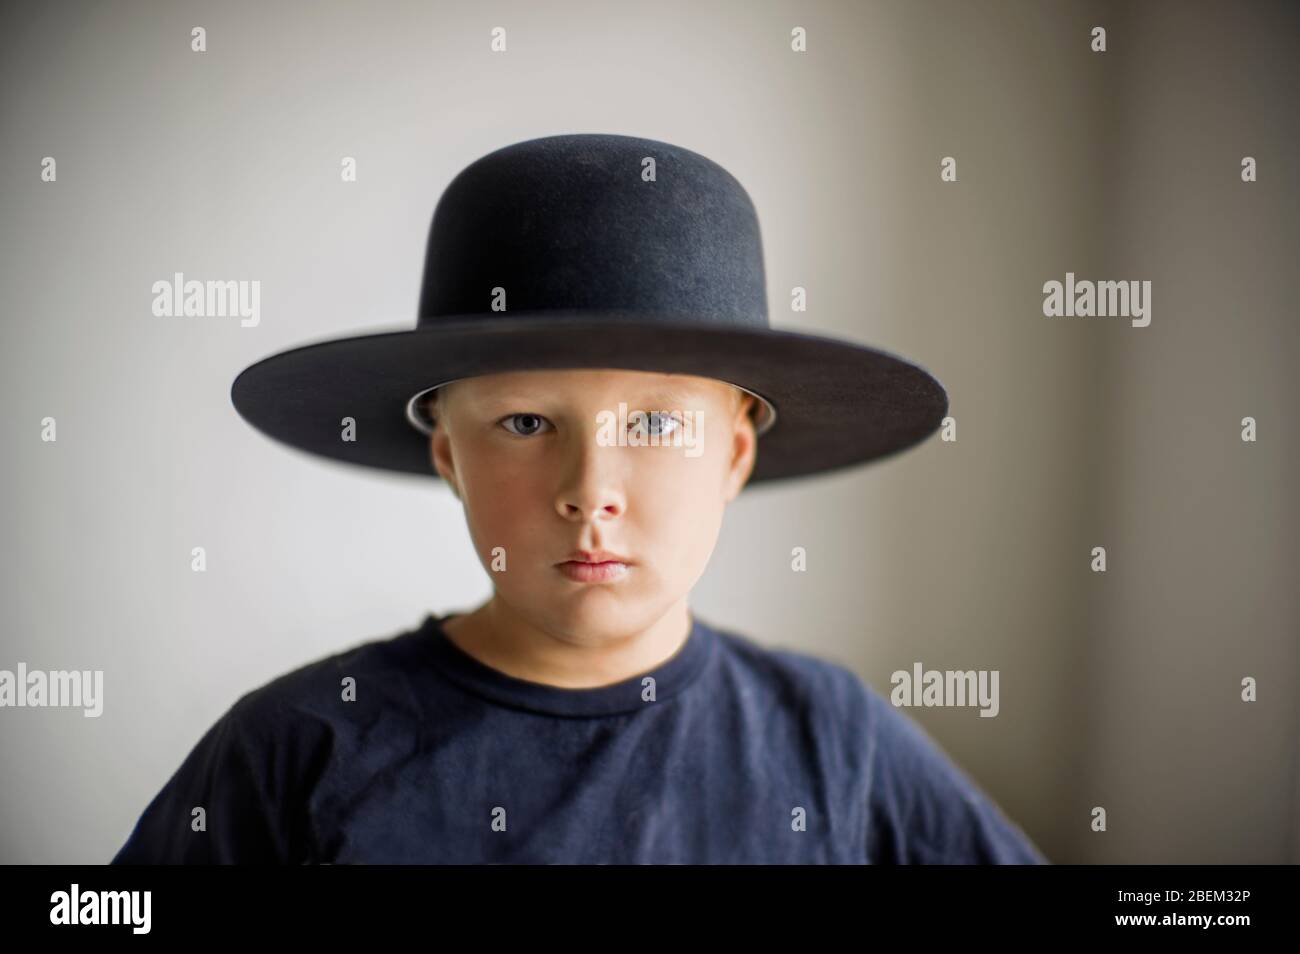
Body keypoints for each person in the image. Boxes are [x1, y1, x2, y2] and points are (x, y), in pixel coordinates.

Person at [111, 133, 1047, 864]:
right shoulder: (297, 747)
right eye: (524, 424)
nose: (590, 492)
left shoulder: (832, 739)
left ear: (732, 453)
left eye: (655, 426)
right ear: (447, 453)